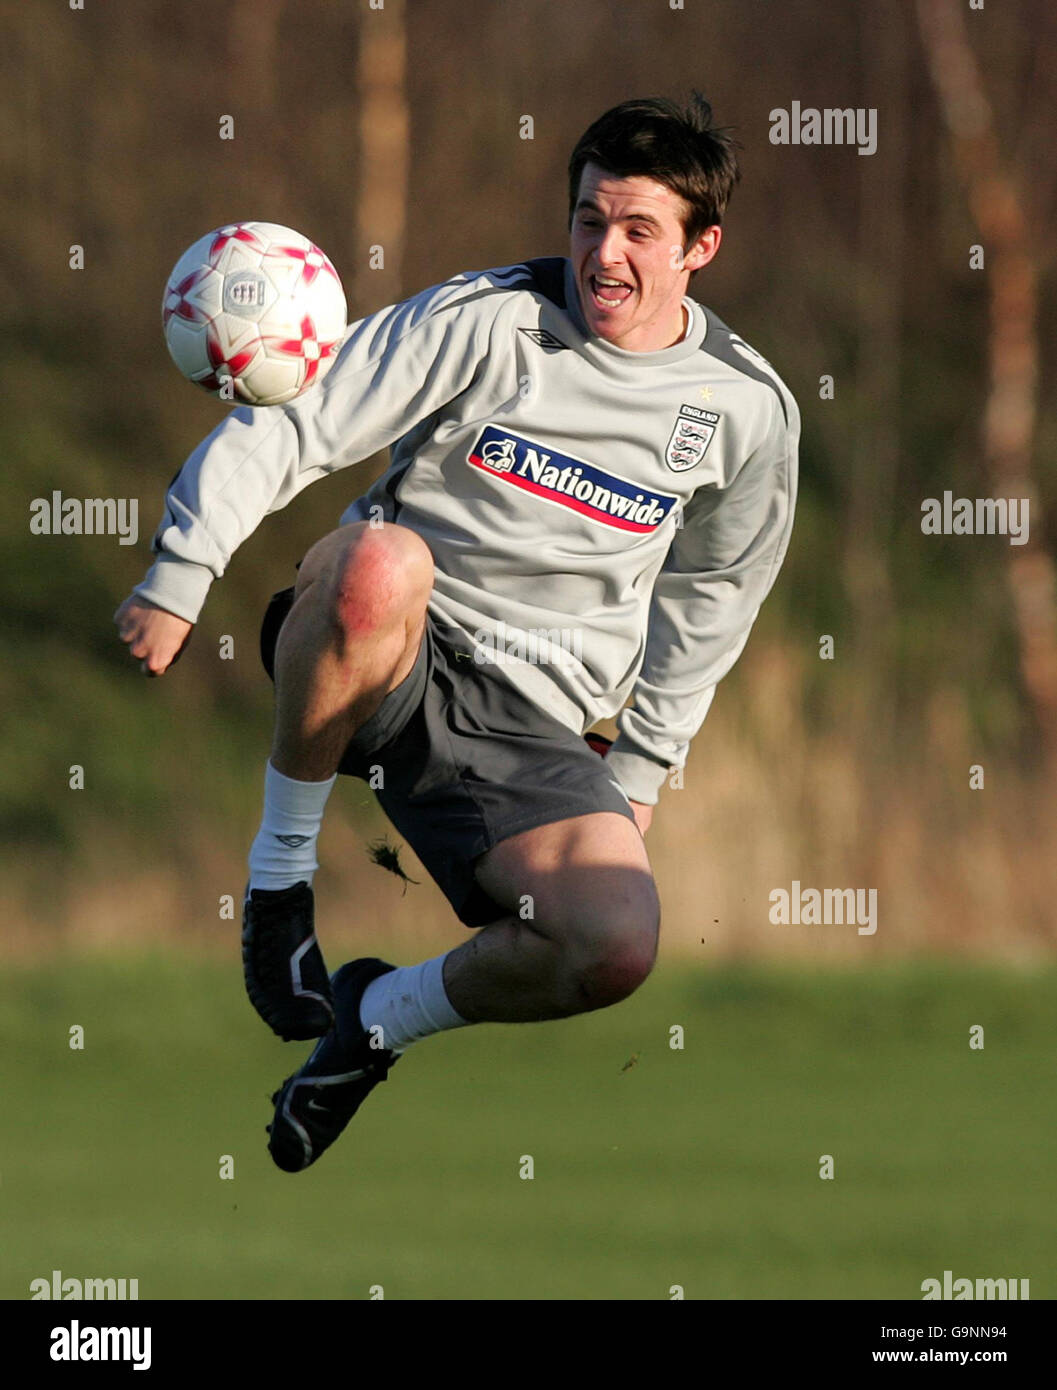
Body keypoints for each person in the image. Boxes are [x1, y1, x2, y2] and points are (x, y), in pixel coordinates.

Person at [114, 93, 799, 1173]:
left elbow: (717, 588)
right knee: (384, 559)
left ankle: (371, 1022)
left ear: (700, 247)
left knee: (614, 942)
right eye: (587, 221)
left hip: (540, 721)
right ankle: (278, 888)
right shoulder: (485, 318)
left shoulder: (745, 410)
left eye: (637, 232)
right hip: (388, 641)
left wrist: (647, 765)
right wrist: (181, 569)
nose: (602, 255)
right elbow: (303, 418)